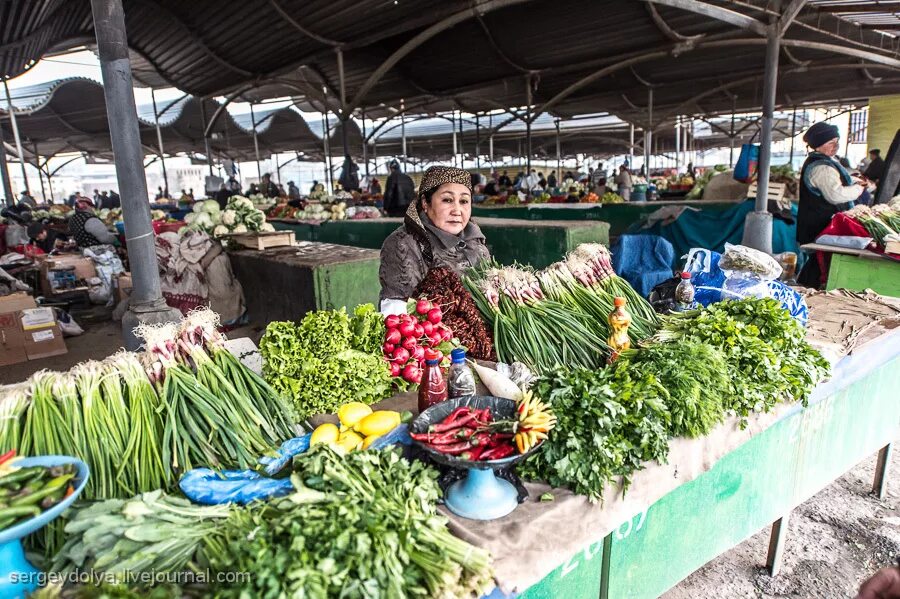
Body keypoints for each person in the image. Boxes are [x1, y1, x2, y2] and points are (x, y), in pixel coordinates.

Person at [379, 166, 490, 303]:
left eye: (464, 201)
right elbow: (399, 310)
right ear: (425, 203)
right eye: (447, 200)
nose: (457, 210)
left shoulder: (475, 240)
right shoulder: (403, 245)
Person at [796, 121, 870, 287]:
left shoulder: (825, 162)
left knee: (819, 262)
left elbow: (837, 179)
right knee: (819, 263)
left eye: (837, 141)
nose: (836, 146)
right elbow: (835, 195)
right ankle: (809, 289)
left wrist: (854, 180)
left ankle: (809, 287)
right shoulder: (821, 168)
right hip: (820, 225)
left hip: (821, 225)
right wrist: (858, 189)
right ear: (818, 145)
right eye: (831, 142)